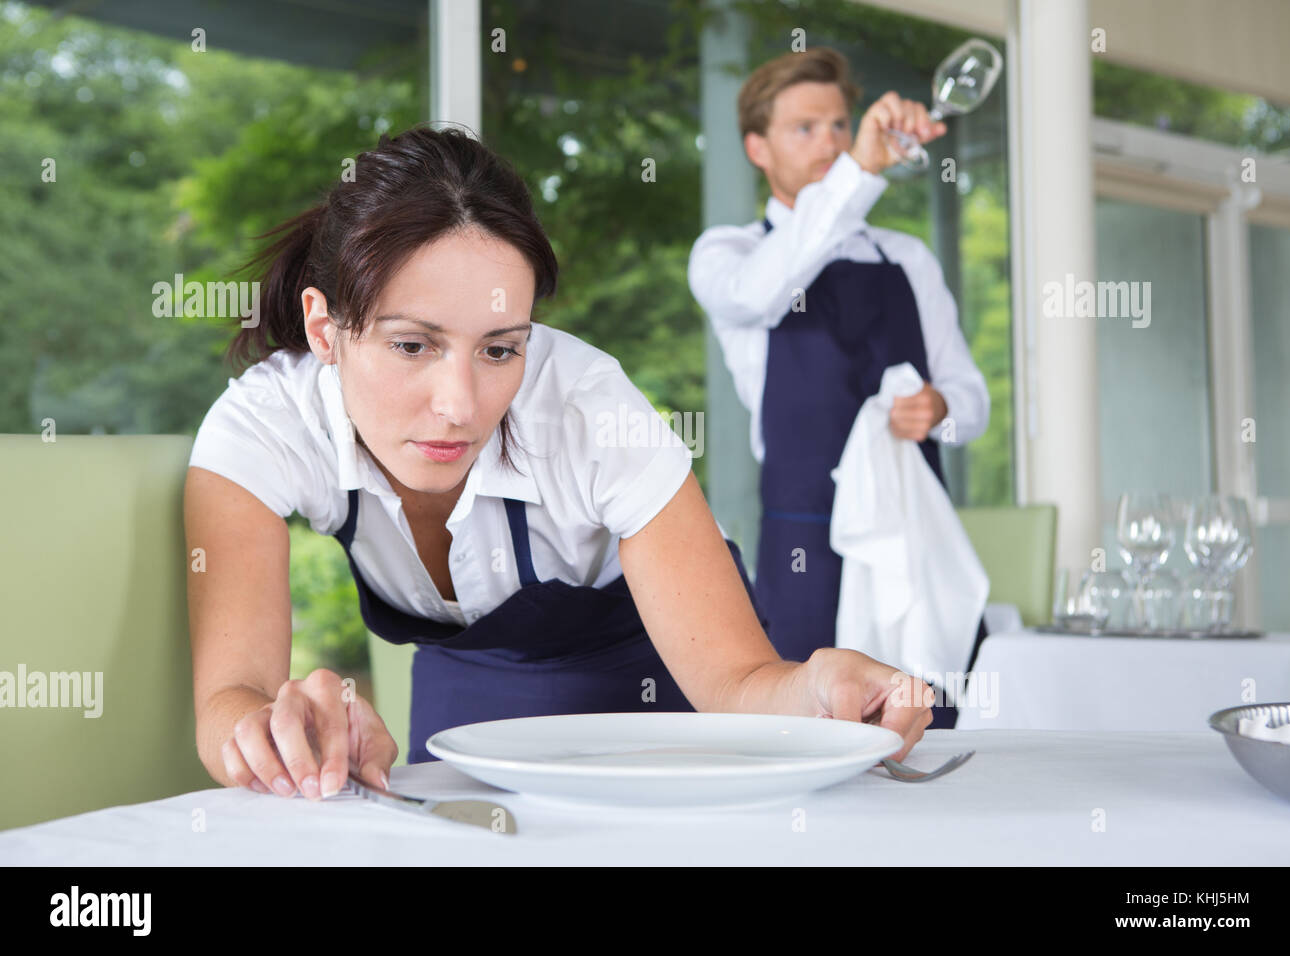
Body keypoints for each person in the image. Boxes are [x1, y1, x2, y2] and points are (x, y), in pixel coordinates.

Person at [185, 124, 935, 801]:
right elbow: (233, 695)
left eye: (500, 348)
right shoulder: (265, 426)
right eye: (412, 345)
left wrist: (818, 688)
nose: (460, 404)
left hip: (660, 691)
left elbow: (738, 683)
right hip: (468, 697)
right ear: (324, 327)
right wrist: (288, 733)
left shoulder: (592, 411)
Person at [687, 48, 990, 728]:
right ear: (756, 147)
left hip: (912, 533)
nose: (829, 141)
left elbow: (972, 399)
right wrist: (861, 170)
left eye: (839, 125)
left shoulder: (907, 258)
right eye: (806, 128)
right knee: (805, 733)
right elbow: (765, 290)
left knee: (931, 727)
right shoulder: (729, 255)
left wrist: (941, 409)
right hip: (805, 545)